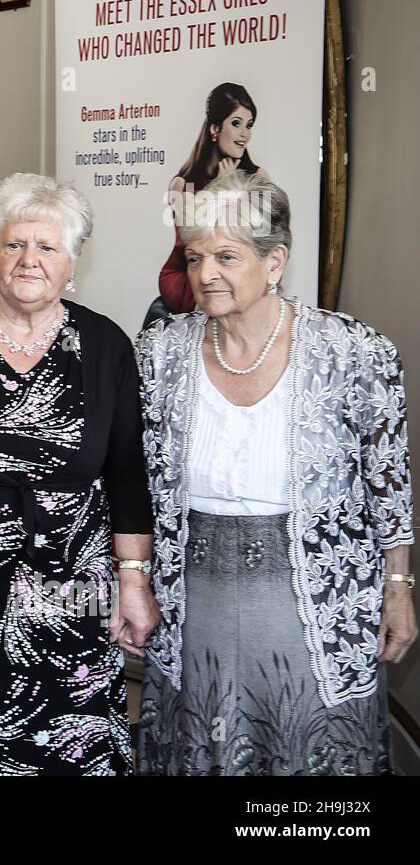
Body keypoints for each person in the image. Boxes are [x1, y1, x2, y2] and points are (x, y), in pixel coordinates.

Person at [137, 171, 415, 775]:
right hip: (195, 599)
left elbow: (388, 483)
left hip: (314, 597)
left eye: (227, 256)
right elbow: (131, 477)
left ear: (274, 261)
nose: (206, 273)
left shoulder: (354, 352)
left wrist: (399, 587)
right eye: (196, 256)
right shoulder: (158, 353)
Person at [0, 173, 159, 775]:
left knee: (73, 748)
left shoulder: (105, 345)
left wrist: (134, 581)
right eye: (14, 244)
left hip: (74, 591)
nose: (29, 260)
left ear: (73, 263)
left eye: (47, 247)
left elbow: (126, 472)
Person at [157, 82, 264, 315]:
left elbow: (262, 238)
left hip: (236, 269)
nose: (245, 134)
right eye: (236, 124)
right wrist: (221, 189)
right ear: (215, 128)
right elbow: (193, 242)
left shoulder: (257, 178)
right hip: (186, 274)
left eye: (249, 125)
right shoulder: (182, 184)